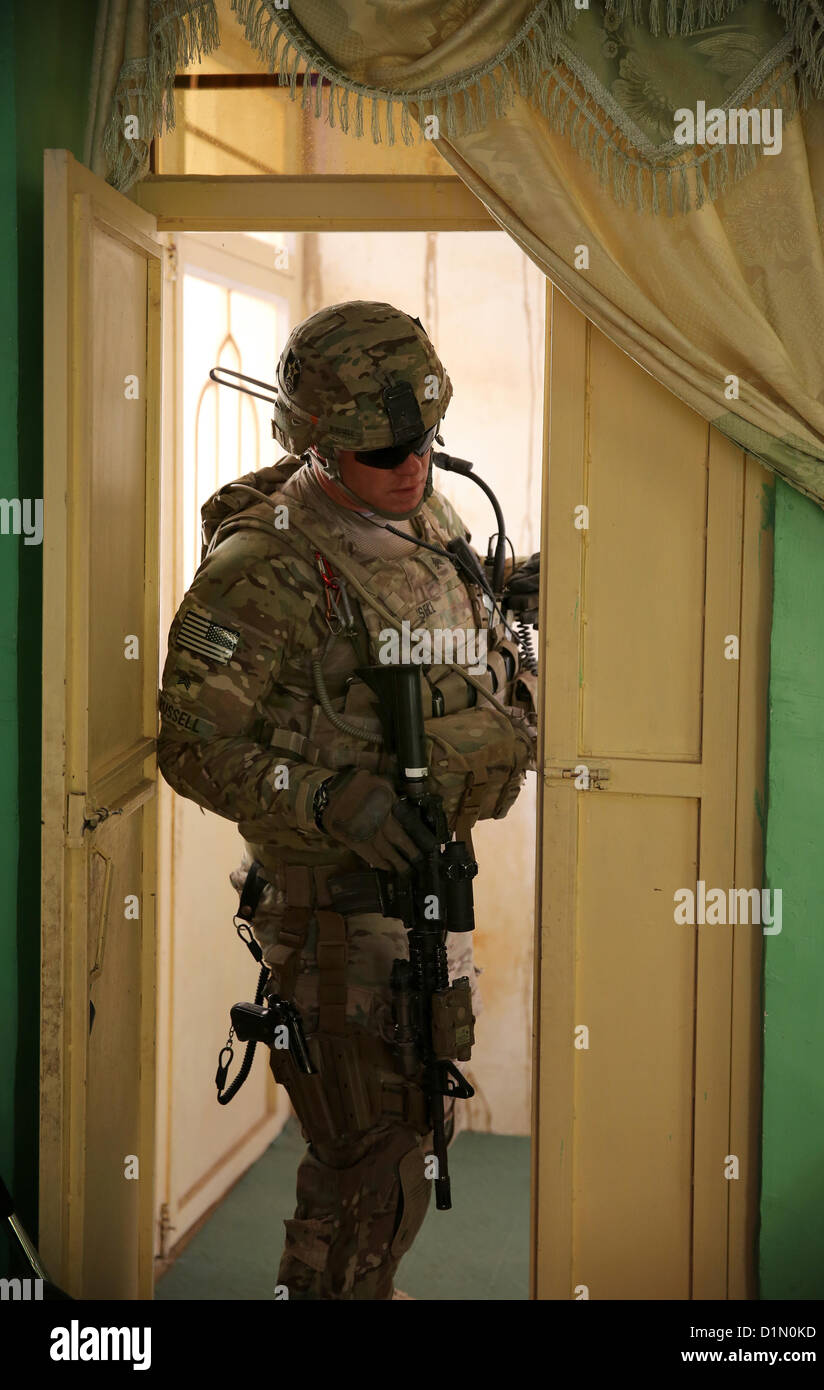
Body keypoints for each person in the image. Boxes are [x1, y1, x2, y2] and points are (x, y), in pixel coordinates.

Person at [156, 300, 539, 1300]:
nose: (409, 465)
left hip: (421, 875)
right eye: (380, 450)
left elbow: (439, 593)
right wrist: (329, 798)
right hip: (334, 907)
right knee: (365, 1163)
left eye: (421, 439)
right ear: (319, 444)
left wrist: (513, 586)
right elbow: (191, 746)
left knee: (409, 1130)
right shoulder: (262, 568)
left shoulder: (423, 508)